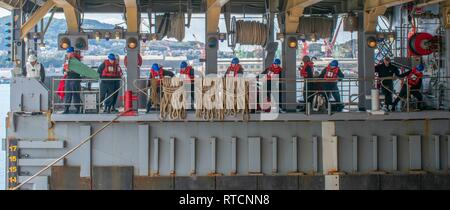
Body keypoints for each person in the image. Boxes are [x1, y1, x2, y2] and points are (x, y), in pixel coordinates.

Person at [63, 47, 83, 114]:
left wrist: (68, 71)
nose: (68, 54)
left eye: (69, 52)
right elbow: (64, 68)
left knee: (76, 94)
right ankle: (66, 109)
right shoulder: (67, 59)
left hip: (75, 78)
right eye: (68, 52)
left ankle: (77, 109)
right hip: (68, 78)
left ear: (72, 52)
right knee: (68, 94)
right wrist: (64, 71)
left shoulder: (76, 59)